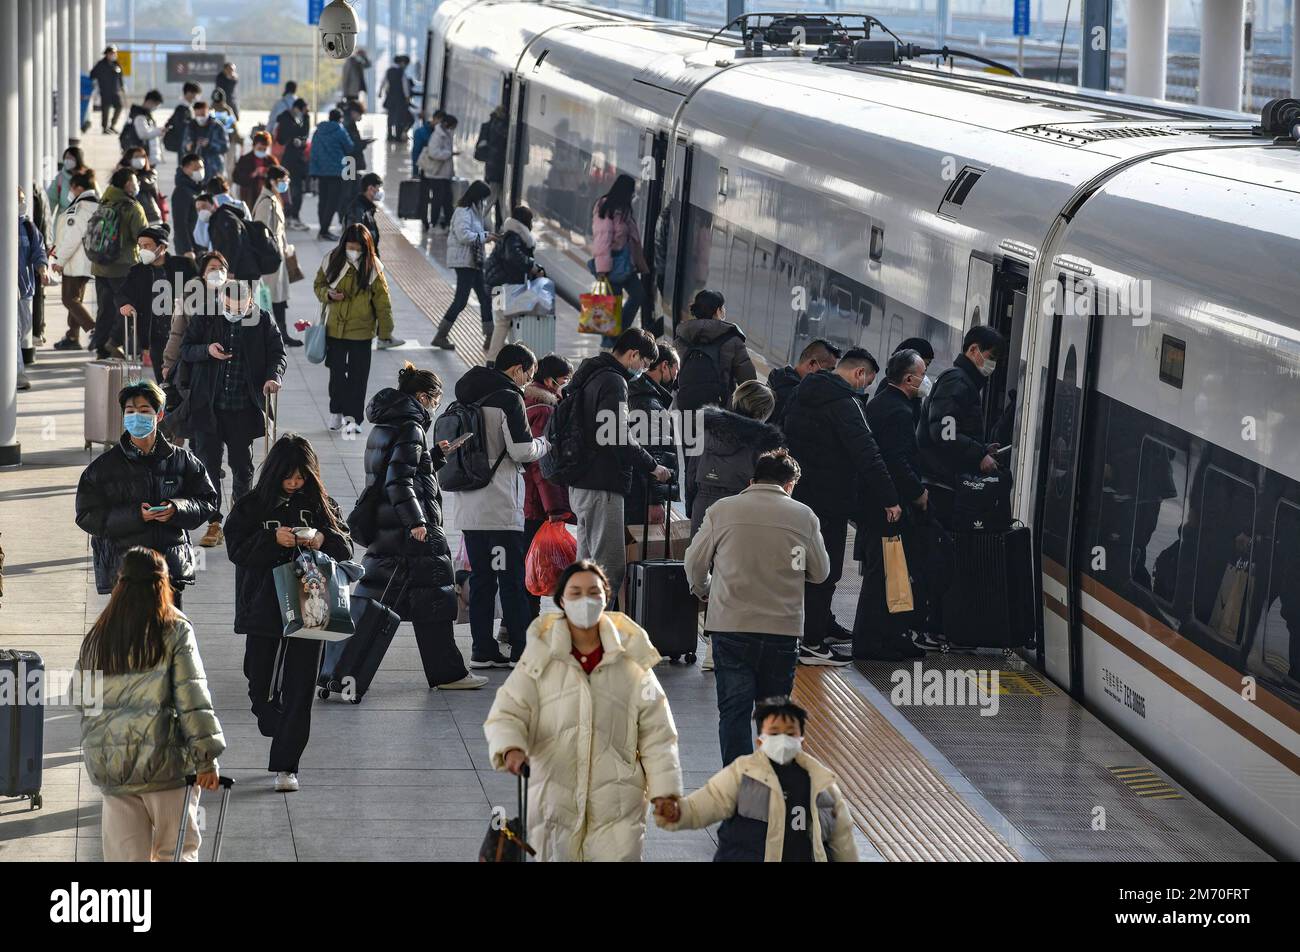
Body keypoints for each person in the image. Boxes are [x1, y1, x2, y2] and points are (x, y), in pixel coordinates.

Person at [484, 560, 682, 862]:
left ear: (606, 595)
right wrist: (511, 747)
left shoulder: (632, 661)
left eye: (593, 592)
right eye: (575, 593)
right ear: (561, 601)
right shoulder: (541, 657)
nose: (585, 600)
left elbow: (658, 732)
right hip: (553, 796)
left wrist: (665, 790)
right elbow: (509, 710)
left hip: (618, 801)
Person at [75, 547, 225, 862]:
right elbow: (192, 697)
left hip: (116, 772)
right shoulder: (174, 629)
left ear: (120, 583)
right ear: (163, 583)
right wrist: (206, 760)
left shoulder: (99, 635)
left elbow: (80, 697)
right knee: (177, 851)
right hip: (167, 766)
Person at [346, 364, 488, 691]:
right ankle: (449, 674)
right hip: (408, 532)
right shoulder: (411, 426)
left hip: (387, 528)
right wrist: (417, 521)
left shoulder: (388, 421)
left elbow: (394, 469)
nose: (436, 405)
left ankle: (339, 668)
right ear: (423, 396)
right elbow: (399, 479)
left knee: (374, 604)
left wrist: (434, 456)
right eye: (435, 399)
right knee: (435, 600)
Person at [224, 435, 353, 793]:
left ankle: (286, 765)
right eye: (288, 477)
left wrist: (321, 540)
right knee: (257, 677)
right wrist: (271, 541)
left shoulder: (321, 504)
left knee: (300, 687)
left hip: (311, 603)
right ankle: (270, 717)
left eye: (301, 477)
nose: (295, 484)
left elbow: (346, 545)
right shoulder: (252, 505)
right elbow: (235, 549)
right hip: (264, 604)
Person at [684, 450, 830, 764]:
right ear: (790, 484)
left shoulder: (723, 510)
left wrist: (705, 589)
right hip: (782, 630)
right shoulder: (803, 516)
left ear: (752, 481)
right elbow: (821, 572)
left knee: (734, 713)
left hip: (731, 627)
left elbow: (694, 562)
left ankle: (740, 794)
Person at [784, 347, 900, 665]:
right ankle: (812, 644)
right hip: (830, 502)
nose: (864, 390)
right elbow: (867, 453)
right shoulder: (844, 404)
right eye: (867, 382)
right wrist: (889, 497)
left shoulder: (799, 393)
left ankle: (799, 633)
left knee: (800, 568)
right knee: (827, 569)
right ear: (859, 373)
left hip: (797, 497)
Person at [653, 696, 858, 862]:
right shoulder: (744, 774)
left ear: (801, 739)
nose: (783, 739)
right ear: (760, 740)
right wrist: (677, 813)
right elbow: (708, 803)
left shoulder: (819, 781)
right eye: (774, 732)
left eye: (790, 733)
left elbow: (842, 836)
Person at [74, 380, 220, 607]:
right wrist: (135, 515)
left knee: (169, 638)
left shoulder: (182, 460)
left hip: (169, 569)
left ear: (159, 415)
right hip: (125, 572)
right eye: (130, 412)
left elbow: (207, 500)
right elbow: (87, 516)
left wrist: (176, 508)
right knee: (130, 640)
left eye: (144, 411)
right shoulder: (103, 468)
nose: (137, 417)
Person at [450, 345, 551, 666]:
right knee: (510, 579)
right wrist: (544, 444)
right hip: (500, 506)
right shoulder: (509, 398)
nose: (527, 382)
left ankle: (482, 649)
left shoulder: (465, 396)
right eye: (529, 375)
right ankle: (522, 650)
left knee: (481, 578)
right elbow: (521, 449)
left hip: (469, 503)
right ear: (517, 369)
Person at [182, 252, 287, 549]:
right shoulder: (207, 315)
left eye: (243, 308)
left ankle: (239, 519)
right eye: (231, 308)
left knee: (243, 467)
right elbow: (186, 350)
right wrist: (207, 351)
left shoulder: (262, 320)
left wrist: (273, 376)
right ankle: (214, 521)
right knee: (209, 467)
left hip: (243, 408)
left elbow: (278, 353)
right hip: (209, 407)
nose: (236, 313)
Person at [565, 328, 672, 606]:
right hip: (604, 484)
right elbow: (618, 436)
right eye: (645, 364)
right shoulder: (614, 381)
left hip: (580, 481)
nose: (643, 371)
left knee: (586, 564)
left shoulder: (590, 374)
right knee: (609, 568)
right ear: (633, 354)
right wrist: (652, 466)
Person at [855, 348, 931, 661]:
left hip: (880, 505)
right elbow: (896, 461)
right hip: (888, 508)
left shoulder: (884, 401)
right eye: (923, 376)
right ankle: (872, 641)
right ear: (909, 378)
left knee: (893, 573)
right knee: (884, 575)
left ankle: (890, 635)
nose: (926, 382)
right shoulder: (898, 411)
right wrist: (918, 493)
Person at [314, 225, 402, 433]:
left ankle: (353, 419)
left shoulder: (373, 267)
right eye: (349, 247)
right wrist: (328, 294)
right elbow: (318, 285)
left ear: (365, 247)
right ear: (344, 244)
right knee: (336, 375)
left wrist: (385, 332)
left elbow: (383, 302)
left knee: (358, 377)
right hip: (334, 330)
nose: (353, 251)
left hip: (361, 332)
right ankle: (336, 411)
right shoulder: (331, 260)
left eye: (357, 248)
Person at [916, 324, 1006, 527]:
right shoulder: (957, 381)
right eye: (991, 356)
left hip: (944, 482)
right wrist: (979, 454)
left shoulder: (965, 382)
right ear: (973, 350)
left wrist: (983, 448)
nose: (993, 364)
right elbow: (944, 432)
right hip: (940, 486)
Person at [691, 380, 782, 536]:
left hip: (703, 502)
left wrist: (691, 505)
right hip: (740, 509)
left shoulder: (707, 430)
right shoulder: (762, 443)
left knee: (698, 558)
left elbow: (691, 472)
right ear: (763, 412)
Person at [522, 354, 575, 617]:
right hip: (537, 502)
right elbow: (541, 462)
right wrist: (554, 507)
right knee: (535, 564)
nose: (565, 384)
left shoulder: (529, 401)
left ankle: (515, 624)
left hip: (529, 498)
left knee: (528, 560)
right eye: (564, 379)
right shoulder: (544, 409)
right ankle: (526, 622)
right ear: (549, 379)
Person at [115, 224, 198, 382]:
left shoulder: (184, 265)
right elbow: (122, 293)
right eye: (140, 246)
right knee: (164, 381)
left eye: (147, 245)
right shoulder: (137, 271)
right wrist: (125, 304)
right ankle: (168, 406)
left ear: (162, 246)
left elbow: (200, 287)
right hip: (156, 337)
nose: (142, 250)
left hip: (185, 334)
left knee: (187, 380)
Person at [88, 168, 149, 360]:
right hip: (123, 267)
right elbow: (143, 236)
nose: (136, 184)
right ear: (126, 184)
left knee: (104, 309)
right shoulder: (132, 207)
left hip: (100, 266)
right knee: (128, 307)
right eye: (133, 181)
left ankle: (102, 349)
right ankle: (115, 342)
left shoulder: (104, 201)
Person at [431, 180, 493, 350]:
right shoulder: (463, 212)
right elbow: (464, 235)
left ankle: (490, 336)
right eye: (483, 198)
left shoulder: (475, 210)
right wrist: (486, 236)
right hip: (464, 262)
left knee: (485, 297)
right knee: (461, 301)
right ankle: (441, 335)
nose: (484, 202)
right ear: (477, 197)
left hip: (474, 261)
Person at [625, 342, 679, 533]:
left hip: (632, 491)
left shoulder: (633, 391)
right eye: (675, 371)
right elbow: (655, 454)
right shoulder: (650, 403)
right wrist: (655, 501)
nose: (675, 378)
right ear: (664, 366)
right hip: (640, 497)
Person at [590, 173, 648, 345]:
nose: (634, 194)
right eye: (632, 191)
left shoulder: (624, 209)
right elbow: (602, 241)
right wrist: (602, 270)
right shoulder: (605, 207)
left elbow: (633, 238)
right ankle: (607, 350)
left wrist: (639, 262)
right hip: (609, 265)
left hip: (625, 264)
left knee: (639, 295)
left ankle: (619, 333)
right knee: (610, 311)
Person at [481, 204, 545, 357]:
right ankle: (497, 359)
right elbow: (514, 257)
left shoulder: (509, 234)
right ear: (525, 222)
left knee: (505, 323)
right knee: (506, 322)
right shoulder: (514, 237)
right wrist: (533, 266)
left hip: (497, 287)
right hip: (503, 287)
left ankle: (499, 358)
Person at [49, 170, 99, 351]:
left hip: (76, 263)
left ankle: (94, 330)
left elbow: (73, 237)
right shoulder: (95, 205)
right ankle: (72, 336)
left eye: (72, 187)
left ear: (79, 188)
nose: (70, 191)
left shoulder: (81, 208)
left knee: (69, 299)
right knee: (75, 299)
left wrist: (60, 260)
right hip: (88, 262)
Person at [253, 165, 301, 347]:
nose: (285, 185)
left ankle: (282, 334)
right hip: (270, 261)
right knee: (272, 299)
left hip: (277, 258)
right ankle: (276, 336)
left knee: (279, 298)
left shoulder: (273, 198)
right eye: (283, 182)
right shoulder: (266, 203)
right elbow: (261, 233)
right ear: (273, 181)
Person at [16, 189, 49, 391]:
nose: (22, 203)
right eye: (18, 200)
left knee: (23, 329)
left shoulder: (28, 226)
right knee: (14, 331)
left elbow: (39, 251)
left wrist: (42, 268)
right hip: (8, 293)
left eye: (22, 200)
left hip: (25, 288)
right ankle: (17, 373)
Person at [767, 338, 840, 430]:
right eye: (828, 370)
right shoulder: (795, 396)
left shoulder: (779, 378)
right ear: (812, 364)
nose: (829, 376)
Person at [308, 108, 355, 241]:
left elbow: (313, 151)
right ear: (340, 119)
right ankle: (324, 230)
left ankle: (322, 229)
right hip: (336, 172)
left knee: (323, 200)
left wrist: (313, 170)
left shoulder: (318, 131)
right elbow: (349, 147)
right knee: (333, 201)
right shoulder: (340, 130)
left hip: (321, 172)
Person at [273, 99, 311, 232]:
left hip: (295, 160)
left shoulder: (298, 119)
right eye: (304, 110)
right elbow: (282, 138)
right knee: (291, 190)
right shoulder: (286, 119)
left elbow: (304, 136)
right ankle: (290, 216)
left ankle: (292, 216)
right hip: (288, 160)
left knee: (294, 189)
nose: (304, 113)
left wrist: (306, 118)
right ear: (297, 108)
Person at [418, 113, 457, 230]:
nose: (453, 129)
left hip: (443, 174)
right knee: (438, 200)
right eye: (452, 126)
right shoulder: (437, 135)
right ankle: (434, 223)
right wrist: (449, 154)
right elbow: (433, 153)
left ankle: (445, 223)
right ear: (446, 124)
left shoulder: (445, 134)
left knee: (446, 199)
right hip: (436, 174)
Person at [477, 104, 509, 228]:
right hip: (498, 170)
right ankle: (498, 225)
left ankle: (491, 224)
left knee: (495, 198)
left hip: (492, 169)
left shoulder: (488, 126)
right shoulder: (503, 128)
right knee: (496, 199)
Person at [181, 101, 230, 179]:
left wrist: (209, 144)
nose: (200, 118)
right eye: (197, 115)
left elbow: (225, 146)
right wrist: (188, 146)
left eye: (203, 115)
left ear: (208, 112)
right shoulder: (190, 126)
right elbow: (184, 146)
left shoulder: (217, 127)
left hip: (214, 168)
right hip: (195, 169)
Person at [119, 146, 166, 225]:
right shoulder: (122, 174)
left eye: (142, 157)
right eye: (136, 157)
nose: (140, 159)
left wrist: (130, 174)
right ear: (129, 159)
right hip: (130, 217)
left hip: (150, 216)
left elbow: (144, 184)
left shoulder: (151, 174)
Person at [171, 153, 205, 259]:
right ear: (185, 169)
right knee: (179, 274)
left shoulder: (196, 189)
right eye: (195, 168)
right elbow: (180, 223)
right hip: (187, 250)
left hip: (198, 247)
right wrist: (187, 249)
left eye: (201, 167)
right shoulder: (182, 191)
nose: (200, 171)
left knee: (195, 275)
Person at [121, 90, 166, 169]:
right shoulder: (139, 116)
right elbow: (143, 134)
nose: (156, 107)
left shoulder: (144, 115)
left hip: (145, 156)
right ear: (149, 102)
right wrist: (158, 131)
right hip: (141, 156)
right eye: (156, 105)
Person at [343, 171, 383, 255]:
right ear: (370, 188)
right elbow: (354, 237)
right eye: (377, 188)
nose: (379, 191)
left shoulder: (367, 208)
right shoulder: (357, 209)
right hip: (362, 258)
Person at [231, 131, 276, 207]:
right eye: (259, 148)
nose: (262, 151)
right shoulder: (244, 159)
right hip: (249, 197)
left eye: (264, 149)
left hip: (267, 197)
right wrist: (252, 174)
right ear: (253, 146)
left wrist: (267, 173)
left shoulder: (271, 161)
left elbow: (279, 176)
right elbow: (235, 177)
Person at [161, 82, 201, 159]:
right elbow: (181, 128)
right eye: (195, 93)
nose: (196, 96)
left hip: (186, 144)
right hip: (183, 145)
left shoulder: (188, 108)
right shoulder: (182, 109)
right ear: (189, 93)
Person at [91, 45, 125, 134]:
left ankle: (112, 125)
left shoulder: (117, 64)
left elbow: (120, 77)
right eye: (111, 53)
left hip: (115, 90)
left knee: (119, 106)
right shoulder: (101, 64)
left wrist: (122, 87)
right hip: (105, 91)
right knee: (105, 110)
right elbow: (92, 74)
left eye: (114, 53)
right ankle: (104, 128)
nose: (113, 55)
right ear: (107, 54)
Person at [45, 146, 86, 218]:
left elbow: (97, 198)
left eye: (70, 158)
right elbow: (51, 199)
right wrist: (46, 218)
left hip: (83, 219)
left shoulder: (87, 177)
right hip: (63, 221)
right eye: (66, 158)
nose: (67, 160)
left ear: (78, 159)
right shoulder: (60, 178)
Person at [381, 55, 413, 141]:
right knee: (399, 117)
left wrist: (380, 92)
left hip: (390, 97)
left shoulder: (389, 71)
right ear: (402, 63)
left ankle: (390, 135)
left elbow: (384, 82)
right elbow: (405, 85)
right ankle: (398, 136)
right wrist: (407, 97)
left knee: (390, 117)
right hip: (400, 99)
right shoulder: (401, 72)